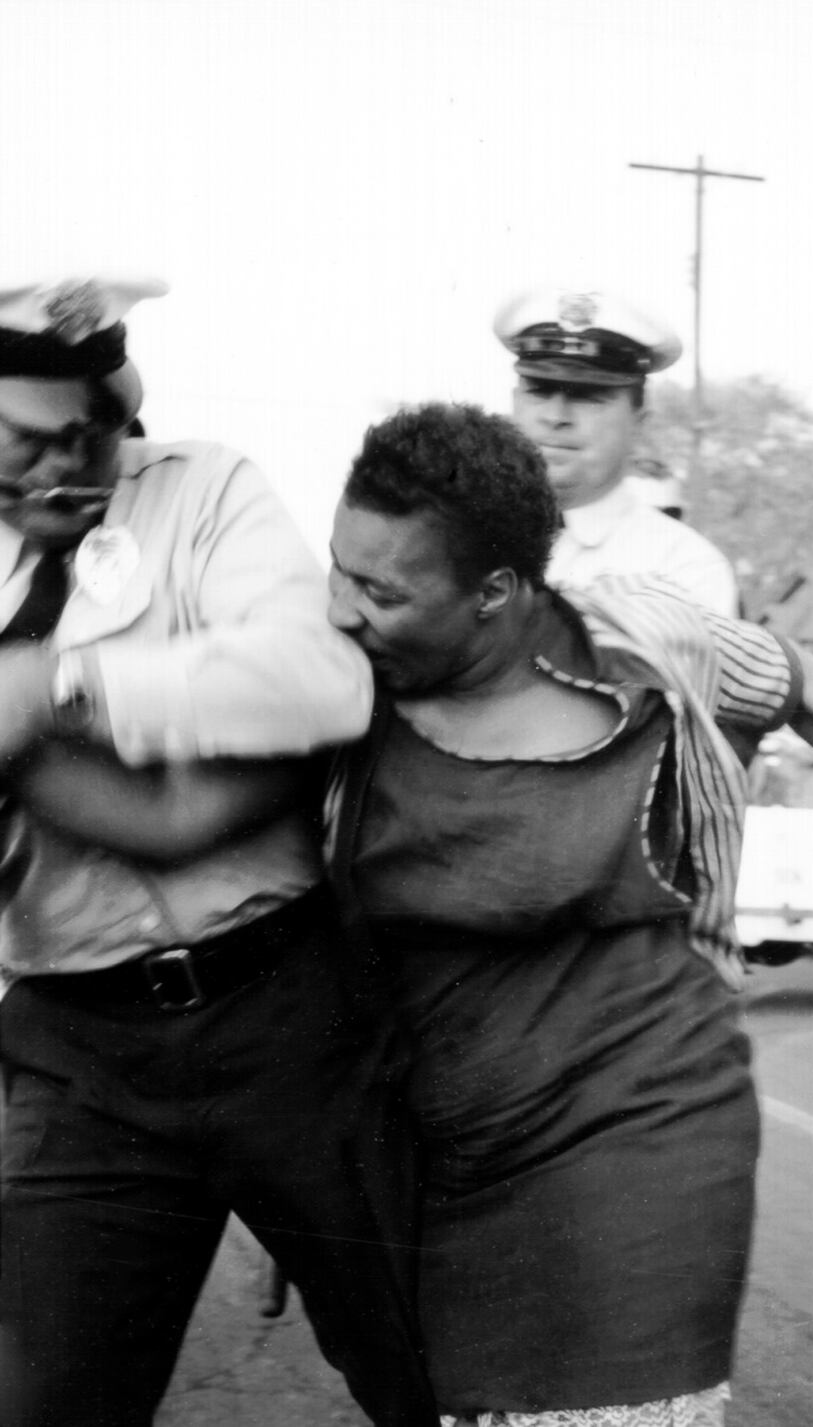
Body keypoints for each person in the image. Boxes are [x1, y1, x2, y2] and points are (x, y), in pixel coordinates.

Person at [316, 403, 813, 1426]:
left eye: (382, 591)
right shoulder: (334, 697)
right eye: (339, 571)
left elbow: (793, 678)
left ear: (496, 591)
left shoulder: (636, 638)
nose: (343, 609)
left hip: (643, 1127)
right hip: (437, 1157)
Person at [0, 278, 436, 1427]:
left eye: (84, 435)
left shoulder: (200, 492)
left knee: (432, 1367)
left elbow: (316, 680)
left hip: (282, 1015)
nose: (58, 472)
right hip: (74, 1046)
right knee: (51, 1400)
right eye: (19, 445)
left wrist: (57, 685)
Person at [494, 286, 739, 614]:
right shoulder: (455, 536)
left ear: (638, 423)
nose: (555, 417)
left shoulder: (684, 570)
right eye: (539, 391)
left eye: (587, 396)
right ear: (514, 402)